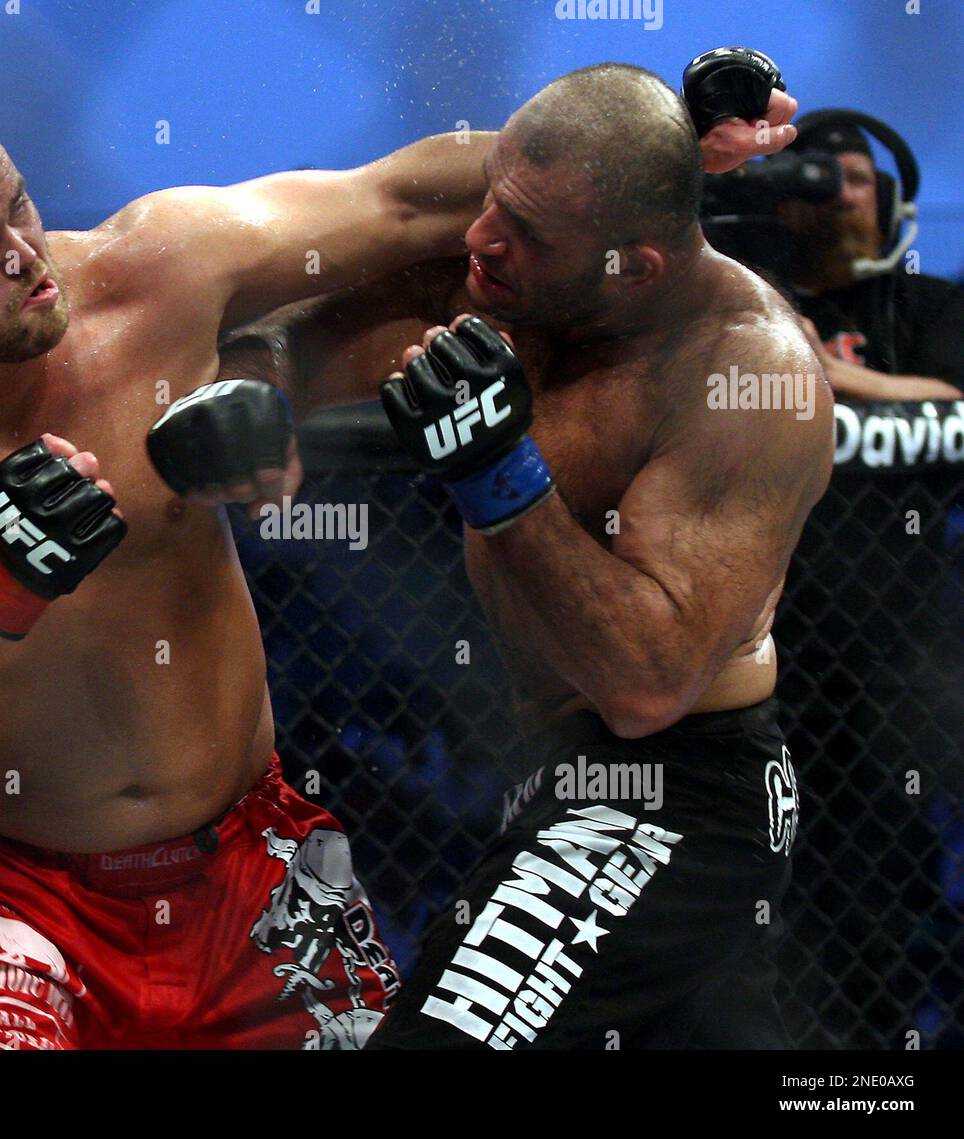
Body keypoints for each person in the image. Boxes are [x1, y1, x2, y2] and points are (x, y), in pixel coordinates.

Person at [0, 98, 493, 1049]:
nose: (24, 257)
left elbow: (405, 201)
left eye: (20, 206)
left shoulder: (154, 266)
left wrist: (671, 150)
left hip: (255, 864)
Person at [224, 63, 830, 1048]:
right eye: (491, 200)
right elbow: (288, 329)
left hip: (672, 792)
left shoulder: (740, 374)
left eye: (525, 232)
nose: (479, 239)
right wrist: (250, 391)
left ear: (630, 266)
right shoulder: (507, 274)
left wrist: (495, 472)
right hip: (551, 771)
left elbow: (645, 682)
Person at [778, 114, 963, 401]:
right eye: (823, 181)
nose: (843, 197)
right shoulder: (745, 303)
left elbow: (956, 395)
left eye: (858, 179)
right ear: (783, 204)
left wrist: (830, 372)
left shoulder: (935, 303)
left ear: (885, 202)